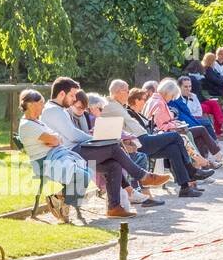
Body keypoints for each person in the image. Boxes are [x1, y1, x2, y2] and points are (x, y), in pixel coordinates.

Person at [32, 79, 171, 218]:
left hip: (72, 151)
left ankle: (114, 207)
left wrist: (97, 140)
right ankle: (143, 176)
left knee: (113, 165)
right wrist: (95, 140)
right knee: (113, 147)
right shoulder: (54, 111)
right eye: (72, 95)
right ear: (62, 94)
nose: (74, 98)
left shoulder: (58, 110)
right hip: (67, 154)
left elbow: (72, 135)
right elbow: (72, 135)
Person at [106, 80, 207, 198]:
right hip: (139, 142)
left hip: (142, 139)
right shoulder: (112, 106)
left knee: (174, 149)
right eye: (127, 91)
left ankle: (185, 187)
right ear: (119, 92)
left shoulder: (117, 106)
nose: (128, 94)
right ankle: (191, 170)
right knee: (176, 136)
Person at [17, 89, 91, 223]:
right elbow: (56, 140)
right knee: (82, 175)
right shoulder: (27, 125)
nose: (43, 107)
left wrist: (53, 139)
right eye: (41, 103)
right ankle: (62, 203)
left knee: (86, 172)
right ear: (31, 104)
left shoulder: (37, 122)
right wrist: (54, 139)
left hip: (54, 156)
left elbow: (57, 139)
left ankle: (57, 199)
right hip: (45, 162)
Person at [147, 78, 223, 166]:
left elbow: (164, 122)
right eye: (172, 95)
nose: (172, 98)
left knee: (199, 132)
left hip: (168, 132)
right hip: (167, 134)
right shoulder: (159, 103)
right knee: (199, 130)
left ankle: (203, 165)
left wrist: (176, 123)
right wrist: (176, 125)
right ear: (167, 92)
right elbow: (161, 126)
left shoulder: (159, 101)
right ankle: (208, 161)